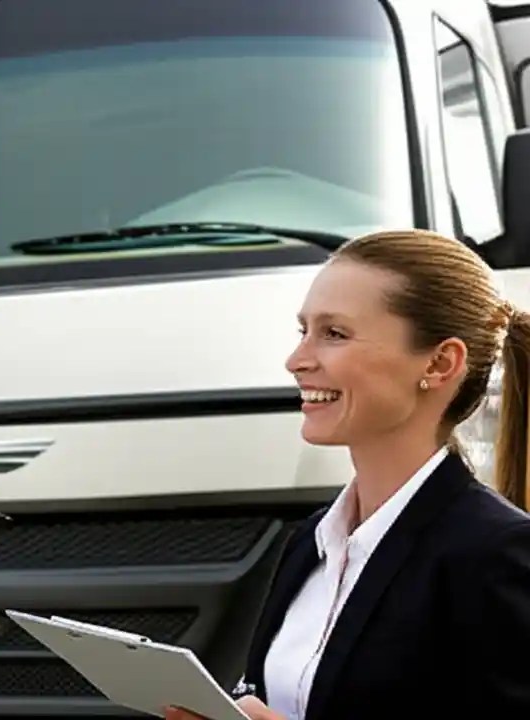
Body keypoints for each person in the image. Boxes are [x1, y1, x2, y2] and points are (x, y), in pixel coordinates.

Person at [166, 228, 530, 720]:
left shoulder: (496, 555)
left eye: (334, 333)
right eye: (303, 331)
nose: (296, 361)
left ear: (441, 363)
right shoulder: (310, 542)